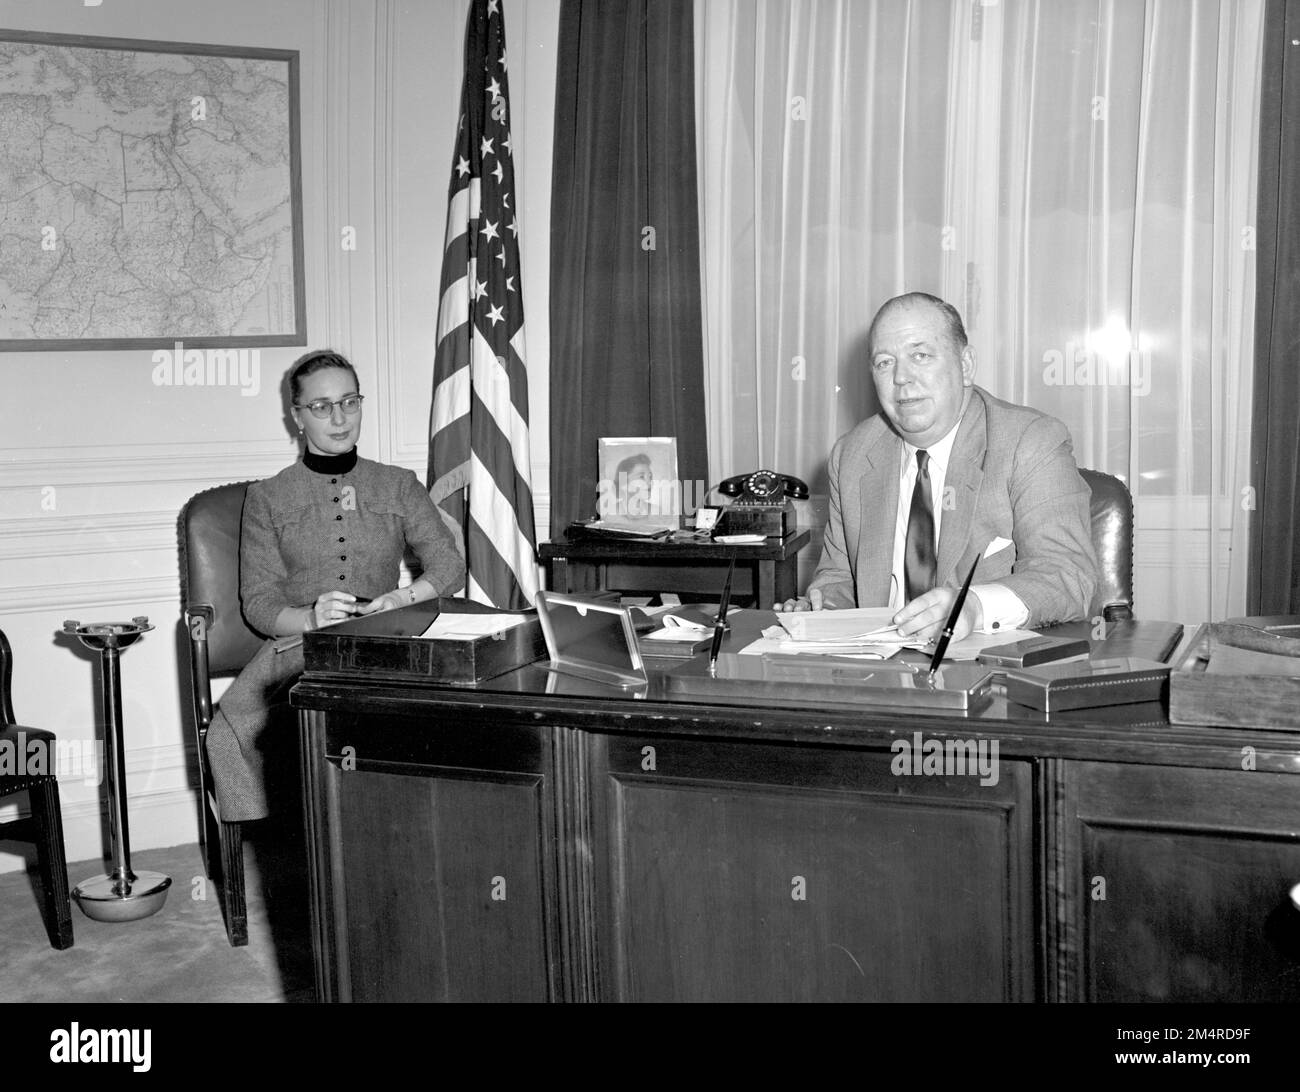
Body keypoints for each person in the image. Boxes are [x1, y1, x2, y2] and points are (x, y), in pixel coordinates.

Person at [205, 349, 465, 821]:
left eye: (350, 401)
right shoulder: (267, 498)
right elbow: (259, 603)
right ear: (297, 417)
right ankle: (280, 852)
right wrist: (310, 618)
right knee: (230, 734)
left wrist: (398, 600)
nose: (339, 417)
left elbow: (448, 568)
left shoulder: (399, 484)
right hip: (300, 647)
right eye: (322, 407)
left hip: (385, 641)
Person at [778, 292, 1098, 643]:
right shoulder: (851, 455)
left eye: (920, 355)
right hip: (881, 676)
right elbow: (840, 578)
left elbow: (1066, 574)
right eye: (885, 362)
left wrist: (972, 607)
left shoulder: (1030, 441)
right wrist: (819, 608)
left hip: (988, 674)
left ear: (966, 366)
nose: (901, 378)